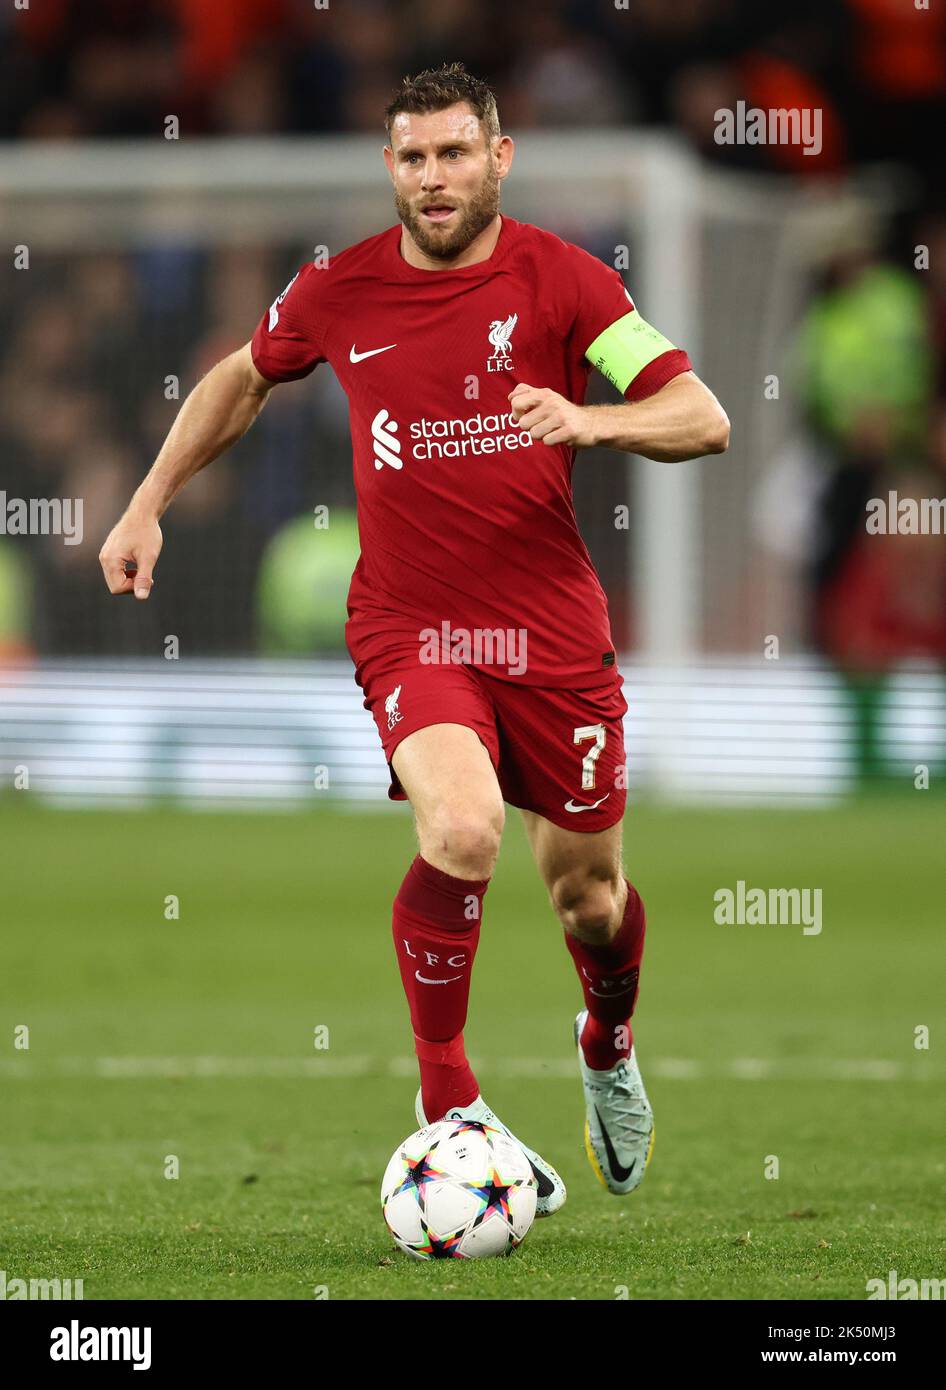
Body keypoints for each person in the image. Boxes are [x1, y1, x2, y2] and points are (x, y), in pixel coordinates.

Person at [99, 62, 729, 1217]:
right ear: (388, 167)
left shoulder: (567, 280)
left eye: (452, 154)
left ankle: (607, 1037)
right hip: (412, 626)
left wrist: (588, 414)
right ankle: (452, 1103)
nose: (431, 178)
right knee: (464, 826)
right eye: (410, 157)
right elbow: (244, 377)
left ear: (498, 159)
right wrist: (148, 500)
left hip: (551, 632)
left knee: (588, 896)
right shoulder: (338, 287)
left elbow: (703, 416)